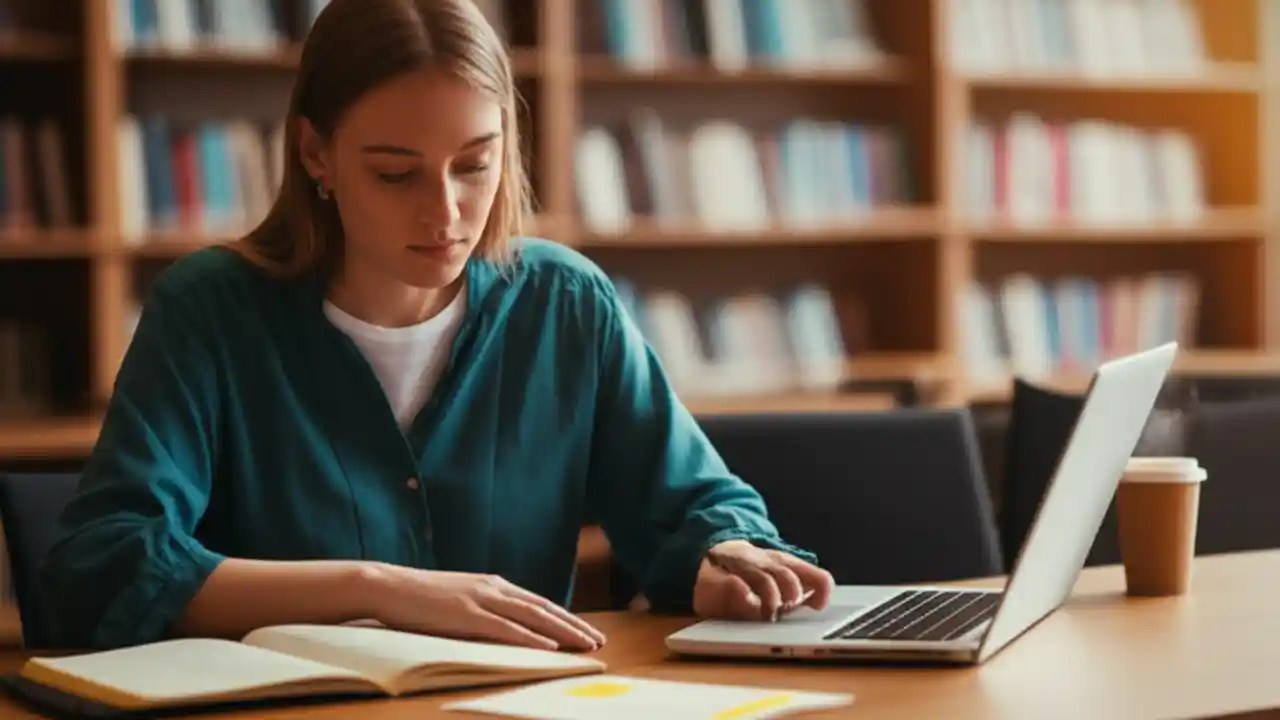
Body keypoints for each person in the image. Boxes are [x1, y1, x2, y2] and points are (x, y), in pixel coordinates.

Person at [40, 0, 833, 652]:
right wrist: (377, 590)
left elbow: (691, 505)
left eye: (476, 163)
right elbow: (102, 566)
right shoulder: (209, 311)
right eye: (396, 173)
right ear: (316, 154)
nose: (446, 213)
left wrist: (721, 551)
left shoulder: (564, 304)